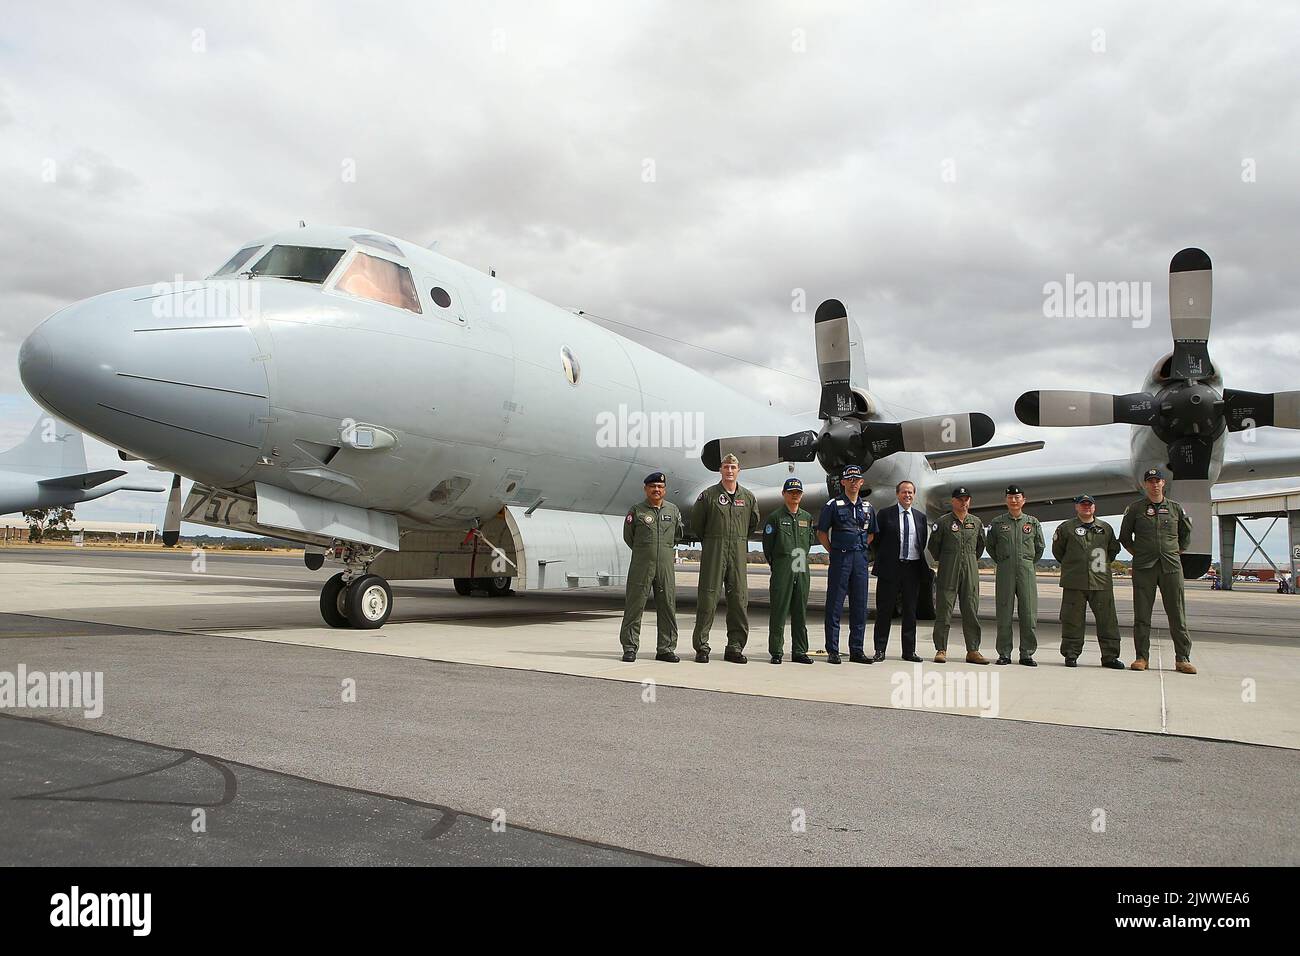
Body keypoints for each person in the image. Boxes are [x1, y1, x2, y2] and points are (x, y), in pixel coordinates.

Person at [1118, 468, 1196, 675]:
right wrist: (1139, 553)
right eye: (1150, 481)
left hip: (1171, 567)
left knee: (1177, 613)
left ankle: (1183, 658)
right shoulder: (1135, 509)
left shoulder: (1175, 508)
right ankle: (1141, 657)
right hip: (1145, 567)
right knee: (1142, 615)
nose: (1154, 484)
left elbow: (1186, 534)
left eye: (1157, 481)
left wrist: (1175, 551)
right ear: (1144, 484)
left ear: (1163, 483)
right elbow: (1125, 536)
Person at [690, 453, 760, 663]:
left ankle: (735, 647)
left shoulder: (748, 498)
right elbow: (697, 524)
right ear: (720, 470)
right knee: (707, 598)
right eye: (726, 467)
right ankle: (702, 647)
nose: (729, 471)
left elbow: (752, 524)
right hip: (714, 549)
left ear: (738, 471)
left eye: (733, 467)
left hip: (737, 551)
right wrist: (714, 541)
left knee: (739, 599)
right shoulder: (708, 496)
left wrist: (737, 540)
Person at [618, 471, 684, 662]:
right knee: (634, 606)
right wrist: (645, 551)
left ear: (665, 490)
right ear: (646, 489)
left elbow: (677, 535)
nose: (657, 490)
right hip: (641, 565)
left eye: (660, 487)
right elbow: (628, 537)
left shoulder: (673, 511)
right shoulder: (637, 511)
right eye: (653, 486)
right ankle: (630, 648)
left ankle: (666, 648)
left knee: (668, 607)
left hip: (665, 566)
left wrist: (661, 551)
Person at [1053, 494, 1124, 669]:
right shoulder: (1066, 528)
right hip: (1074, 581)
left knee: (1107, 620)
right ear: (1076, 507)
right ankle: (1071, 654)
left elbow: (1113, 550)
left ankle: (1110, 656)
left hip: (1100, 581)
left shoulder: (1105, 528)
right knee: (1072, 620)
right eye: (1082, 504)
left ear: (1094, 507)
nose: (1086, 507)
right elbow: (1058, 551)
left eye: (1089, 504)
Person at [816, 465, 877, 664]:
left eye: (856, 479)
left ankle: (856, 650)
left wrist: (858, 548)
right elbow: (822, 533)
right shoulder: (832, 505)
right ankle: (833, 650)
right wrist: (834, 550)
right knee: (834, 605)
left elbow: (871, 534)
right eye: (849, 479)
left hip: (860, 560)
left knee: (860, 606)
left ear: (861, 482)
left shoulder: (867, 507)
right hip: (840, 559)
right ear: (842, 482)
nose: (853, 482)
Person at [985, 484, 1045, 666]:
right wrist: (1005, 561)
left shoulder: (1032, 523)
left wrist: (1026, 562)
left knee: (1028, 613)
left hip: (1026, 570)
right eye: (1010, 497)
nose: (1014, 500)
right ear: (1006, 500)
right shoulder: (997, 523)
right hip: (1005, 570)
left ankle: (1026, 653)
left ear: (1023, 500)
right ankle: (1004, 653)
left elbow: (1039, 547)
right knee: (1004, 612)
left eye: (1017, 497)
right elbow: (991, 547)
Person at [870, 479, 929, 662]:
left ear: (914, 495)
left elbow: (922, 541)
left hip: (912, 569)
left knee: (910, 612)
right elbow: (876, 541)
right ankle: (880, 649)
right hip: (890, 568)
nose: (907, 495)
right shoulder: (885, 514)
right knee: (884, 611)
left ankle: (909, 651)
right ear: (897, 494)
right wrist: (887, 559)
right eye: (904, 492)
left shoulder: (920, 517)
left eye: (910, 492)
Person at [927, 487, 987, 663]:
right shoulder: (943, 522)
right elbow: (934, 546)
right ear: (953, 501)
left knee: (970, 609)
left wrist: (968, 559)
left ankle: (973, 650)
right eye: (960, 499)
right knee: (944, 609)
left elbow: (980, 547)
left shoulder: (976, 522)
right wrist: (947, 559)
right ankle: (941, 649)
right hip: (948, 568)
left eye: (966, 499)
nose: (963, 502)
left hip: (970, 568)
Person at [762, 477, 815, 665]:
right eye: (791, 492)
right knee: (779, 610)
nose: (795, 495)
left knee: (800, 610)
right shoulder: (775, 517)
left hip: (801, 564)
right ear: (784, 494)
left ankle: (800, 651)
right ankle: (776, 651)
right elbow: (768, 547)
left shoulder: (807, 518)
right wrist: (778, 564)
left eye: (798, 492)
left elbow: (809, 541)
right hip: (782, 566)